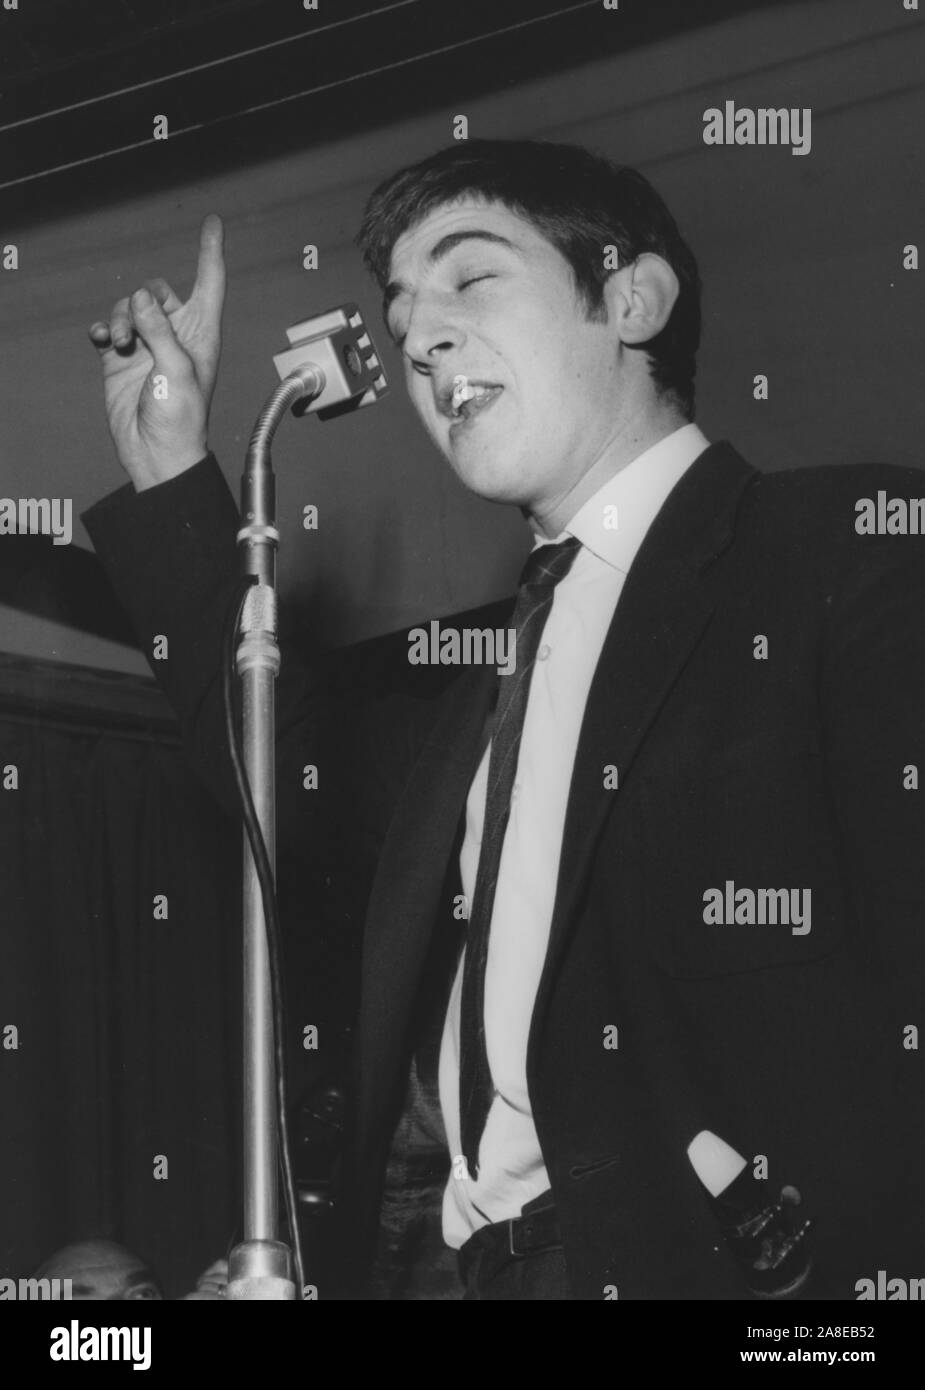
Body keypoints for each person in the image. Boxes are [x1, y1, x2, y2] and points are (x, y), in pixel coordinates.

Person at [83, 139, 925, 1300]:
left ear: (630, 297)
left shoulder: (851, 551)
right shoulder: (472, 684)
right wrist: (174, 465)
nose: (418, 339)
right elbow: (270, 765)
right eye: (400, 315)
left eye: (470, 279)